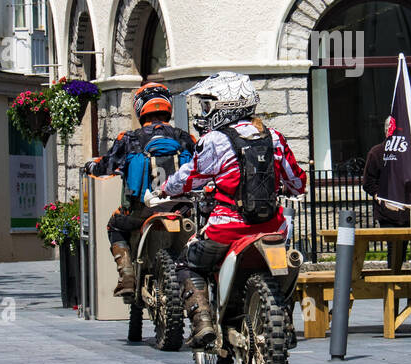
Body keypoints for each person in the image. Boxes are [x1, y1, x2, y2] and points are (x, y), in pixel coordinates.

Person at [159, 72, 306, 347]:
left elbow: (191, 177)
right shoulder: (274, 137)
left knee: (187, 263)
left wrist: (166, 188)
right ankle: (284, 319)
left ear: (226, 106)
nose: (206, 111)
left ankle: (203, 324)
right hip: (271, 228)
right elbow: (297, 182)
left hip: (226, 228)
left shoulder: (214, 140)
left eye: (208, 105)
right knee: (285, 267)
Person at [89, 83, 196, 297]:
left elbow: (106, 166)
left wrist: (91, 166)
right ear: (167, 107)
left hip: (141, 210)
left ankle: (127, 276)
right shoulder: (185, 137)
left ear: (140, 108)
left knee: (114, 226)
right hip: (181, 207)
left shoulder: (129, 138)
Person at [362, 136, 409, 269]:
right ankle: (393, 283)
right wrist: (380, 198)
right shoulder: (377, 152)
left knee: (403, 247)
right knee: (393, 247)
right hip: (386, 210)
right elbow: (368, 182)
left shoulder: (407, 152)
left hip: (405, 208)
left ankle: (398, 280)